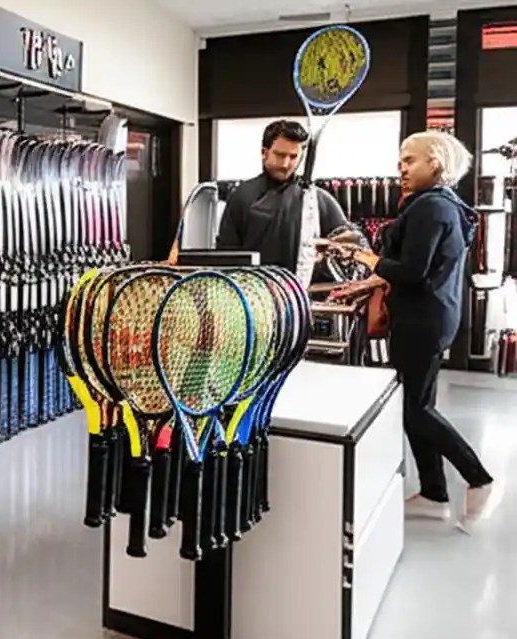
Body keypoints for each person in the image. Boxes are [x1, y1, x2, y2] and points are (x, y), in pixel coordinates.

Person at [330, 130, 495, 524]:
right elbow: (428, 265)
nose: (401, 168)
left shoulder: (429, 208)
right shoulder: (441, 205)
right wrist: (369, 281)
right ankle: (434, 491)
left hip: (421, 320)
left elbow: (412, 272)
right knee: (418, 405)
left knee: (413, 408)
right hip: (432, 316)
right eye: (401, 160)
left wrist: (365, 258)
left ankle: (478, 478)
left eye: (410, 160)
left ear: (435, 163)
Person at [168, 119, 364, 270]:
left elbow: (351, 241)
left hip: (302, 301)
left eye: (293, 157)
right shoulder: (242, 196)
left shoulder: (317, 199)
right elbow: (225, 256)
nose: (286, 163)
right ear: (264, 152)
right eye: (280, 155)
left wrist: (337, 248)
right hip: (250, 300)